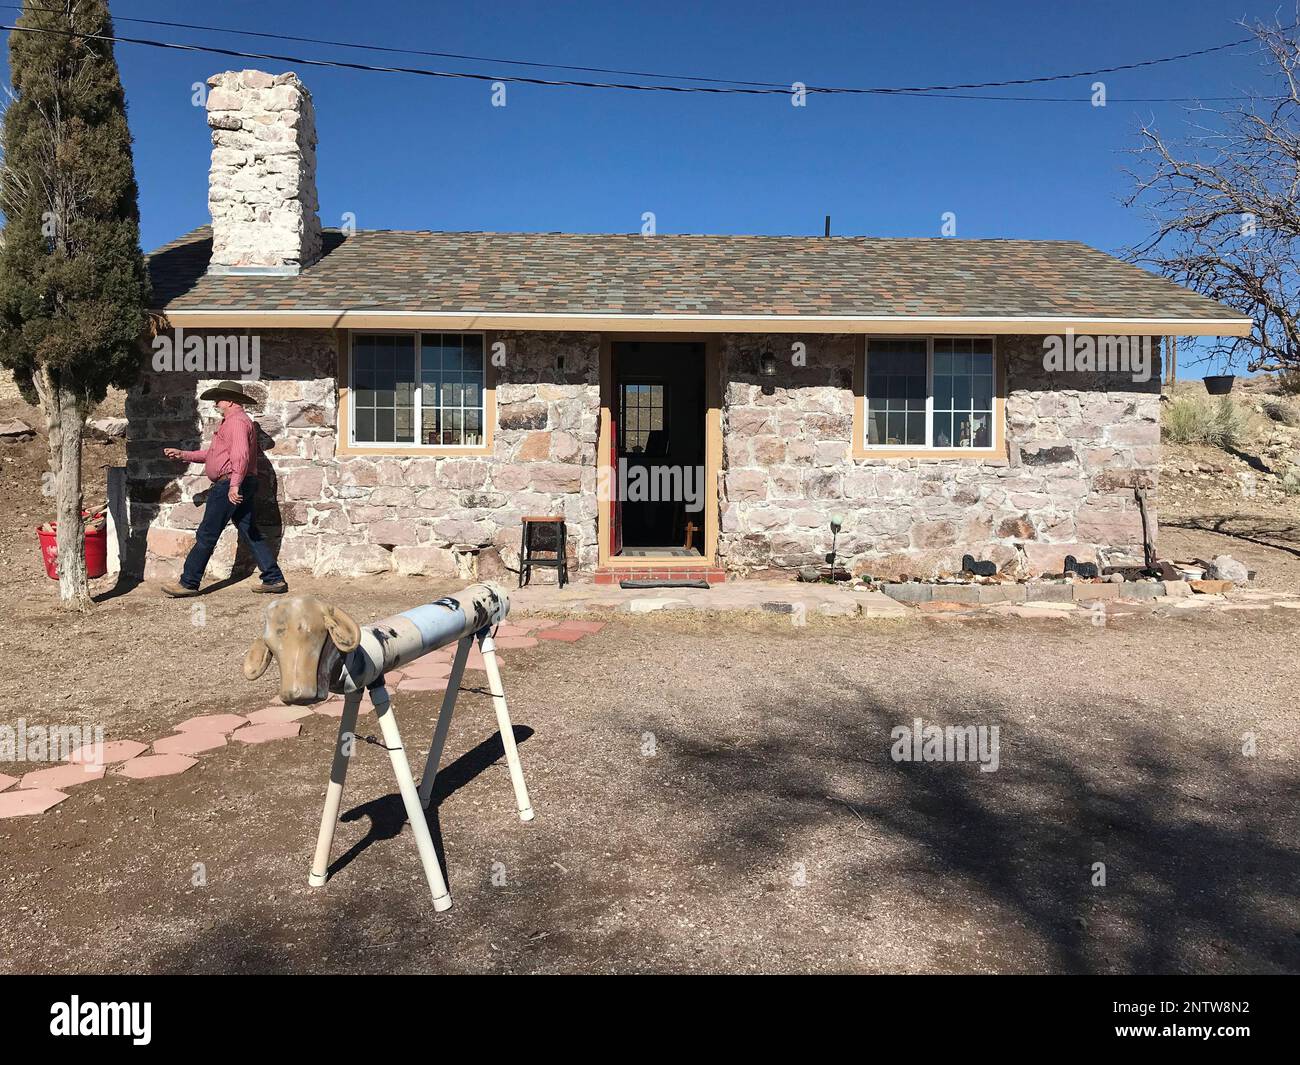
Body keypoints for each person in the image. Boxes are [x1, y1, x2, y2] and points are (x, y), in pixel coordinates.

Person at [160, 381, 287, 597]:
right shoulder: (233, 422)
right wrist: (183, 454)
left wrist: (234, 485)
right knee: (250, 530)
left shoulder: (236, 423)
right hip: (237, 482)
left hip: (230, 483)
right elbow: (214, 455)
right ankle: (274, 579)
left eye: (219, 399)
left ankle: (188, 583)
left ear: (229, 401)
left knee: (207, 533)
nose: (216, 403)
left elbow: (240, 456)